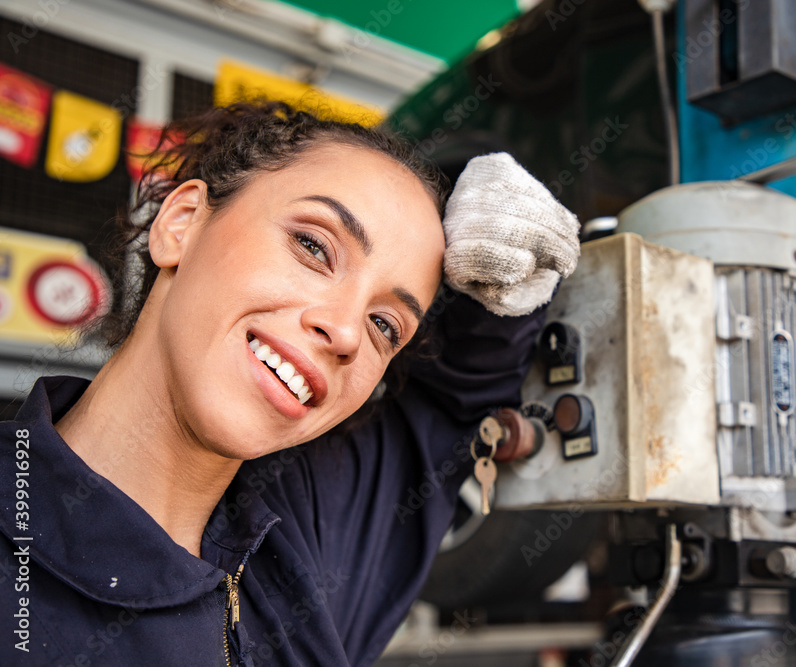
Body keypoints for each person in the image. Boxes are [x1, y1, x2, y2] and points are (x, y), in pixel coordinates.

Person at [0, 102, 579, 666]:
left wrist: (493, 230)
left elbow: (455, 403)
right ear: (181, 225)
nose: (348, 331)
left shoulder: (307, 543)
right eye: (313, 246)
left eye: (386, 325)